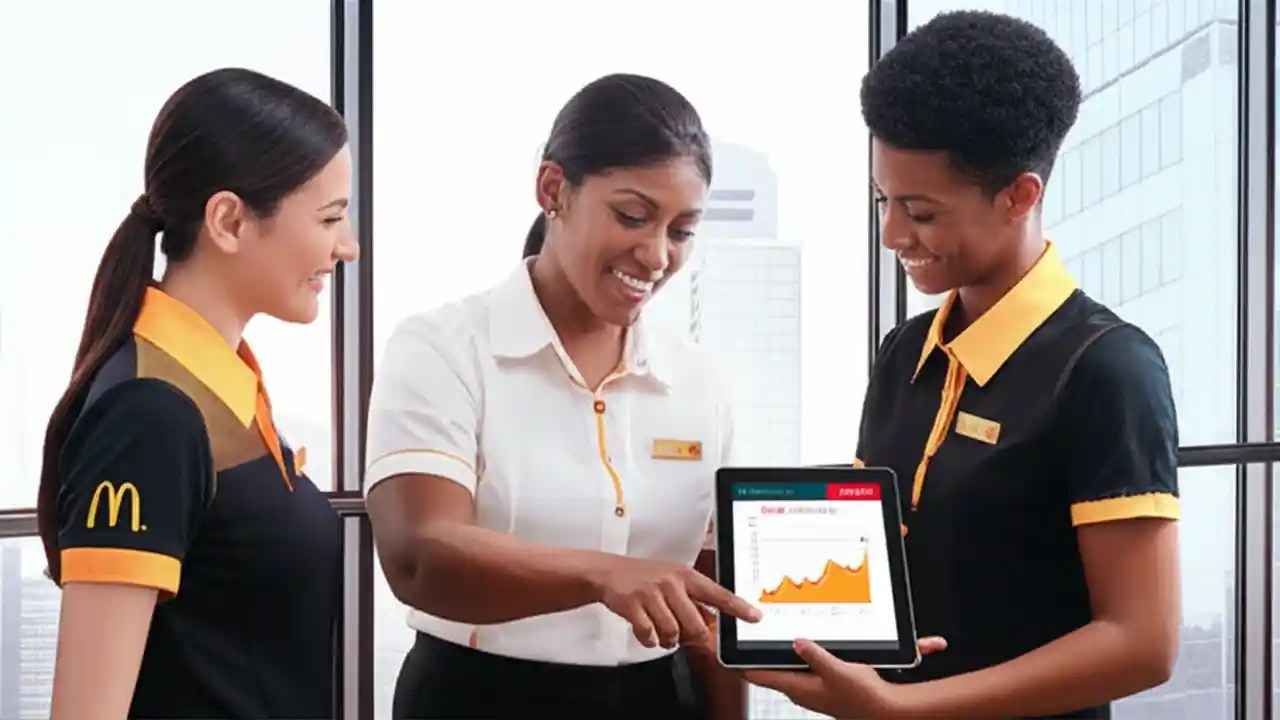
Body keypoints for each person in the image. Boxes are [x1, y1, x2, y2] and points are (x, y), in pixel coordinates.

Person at [748, 11, 1180, 720]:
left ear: (1019, 196)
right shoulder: (904, 353)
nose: (892, 234)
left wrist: (906, 709)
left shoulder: (1108, 368)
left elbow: (1142, 643)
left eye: (920, 212)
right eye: (883, 201)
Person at [364, 72, 762, 720]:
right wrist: (602, 574)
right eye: (632, 216)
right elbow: (419, 554)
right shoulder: (442, 348)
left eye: (682, 230)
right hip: (479, 699)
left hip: (662, 701)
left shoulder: (699, 382)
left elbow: (711, 606)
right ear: (553, 189)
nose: (656, 254)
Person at [37, 67, 358, 719]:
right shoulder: (150, 413)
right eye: (329, 218)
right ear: (229, 220)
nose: (347, 247)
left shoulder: (214, 387)